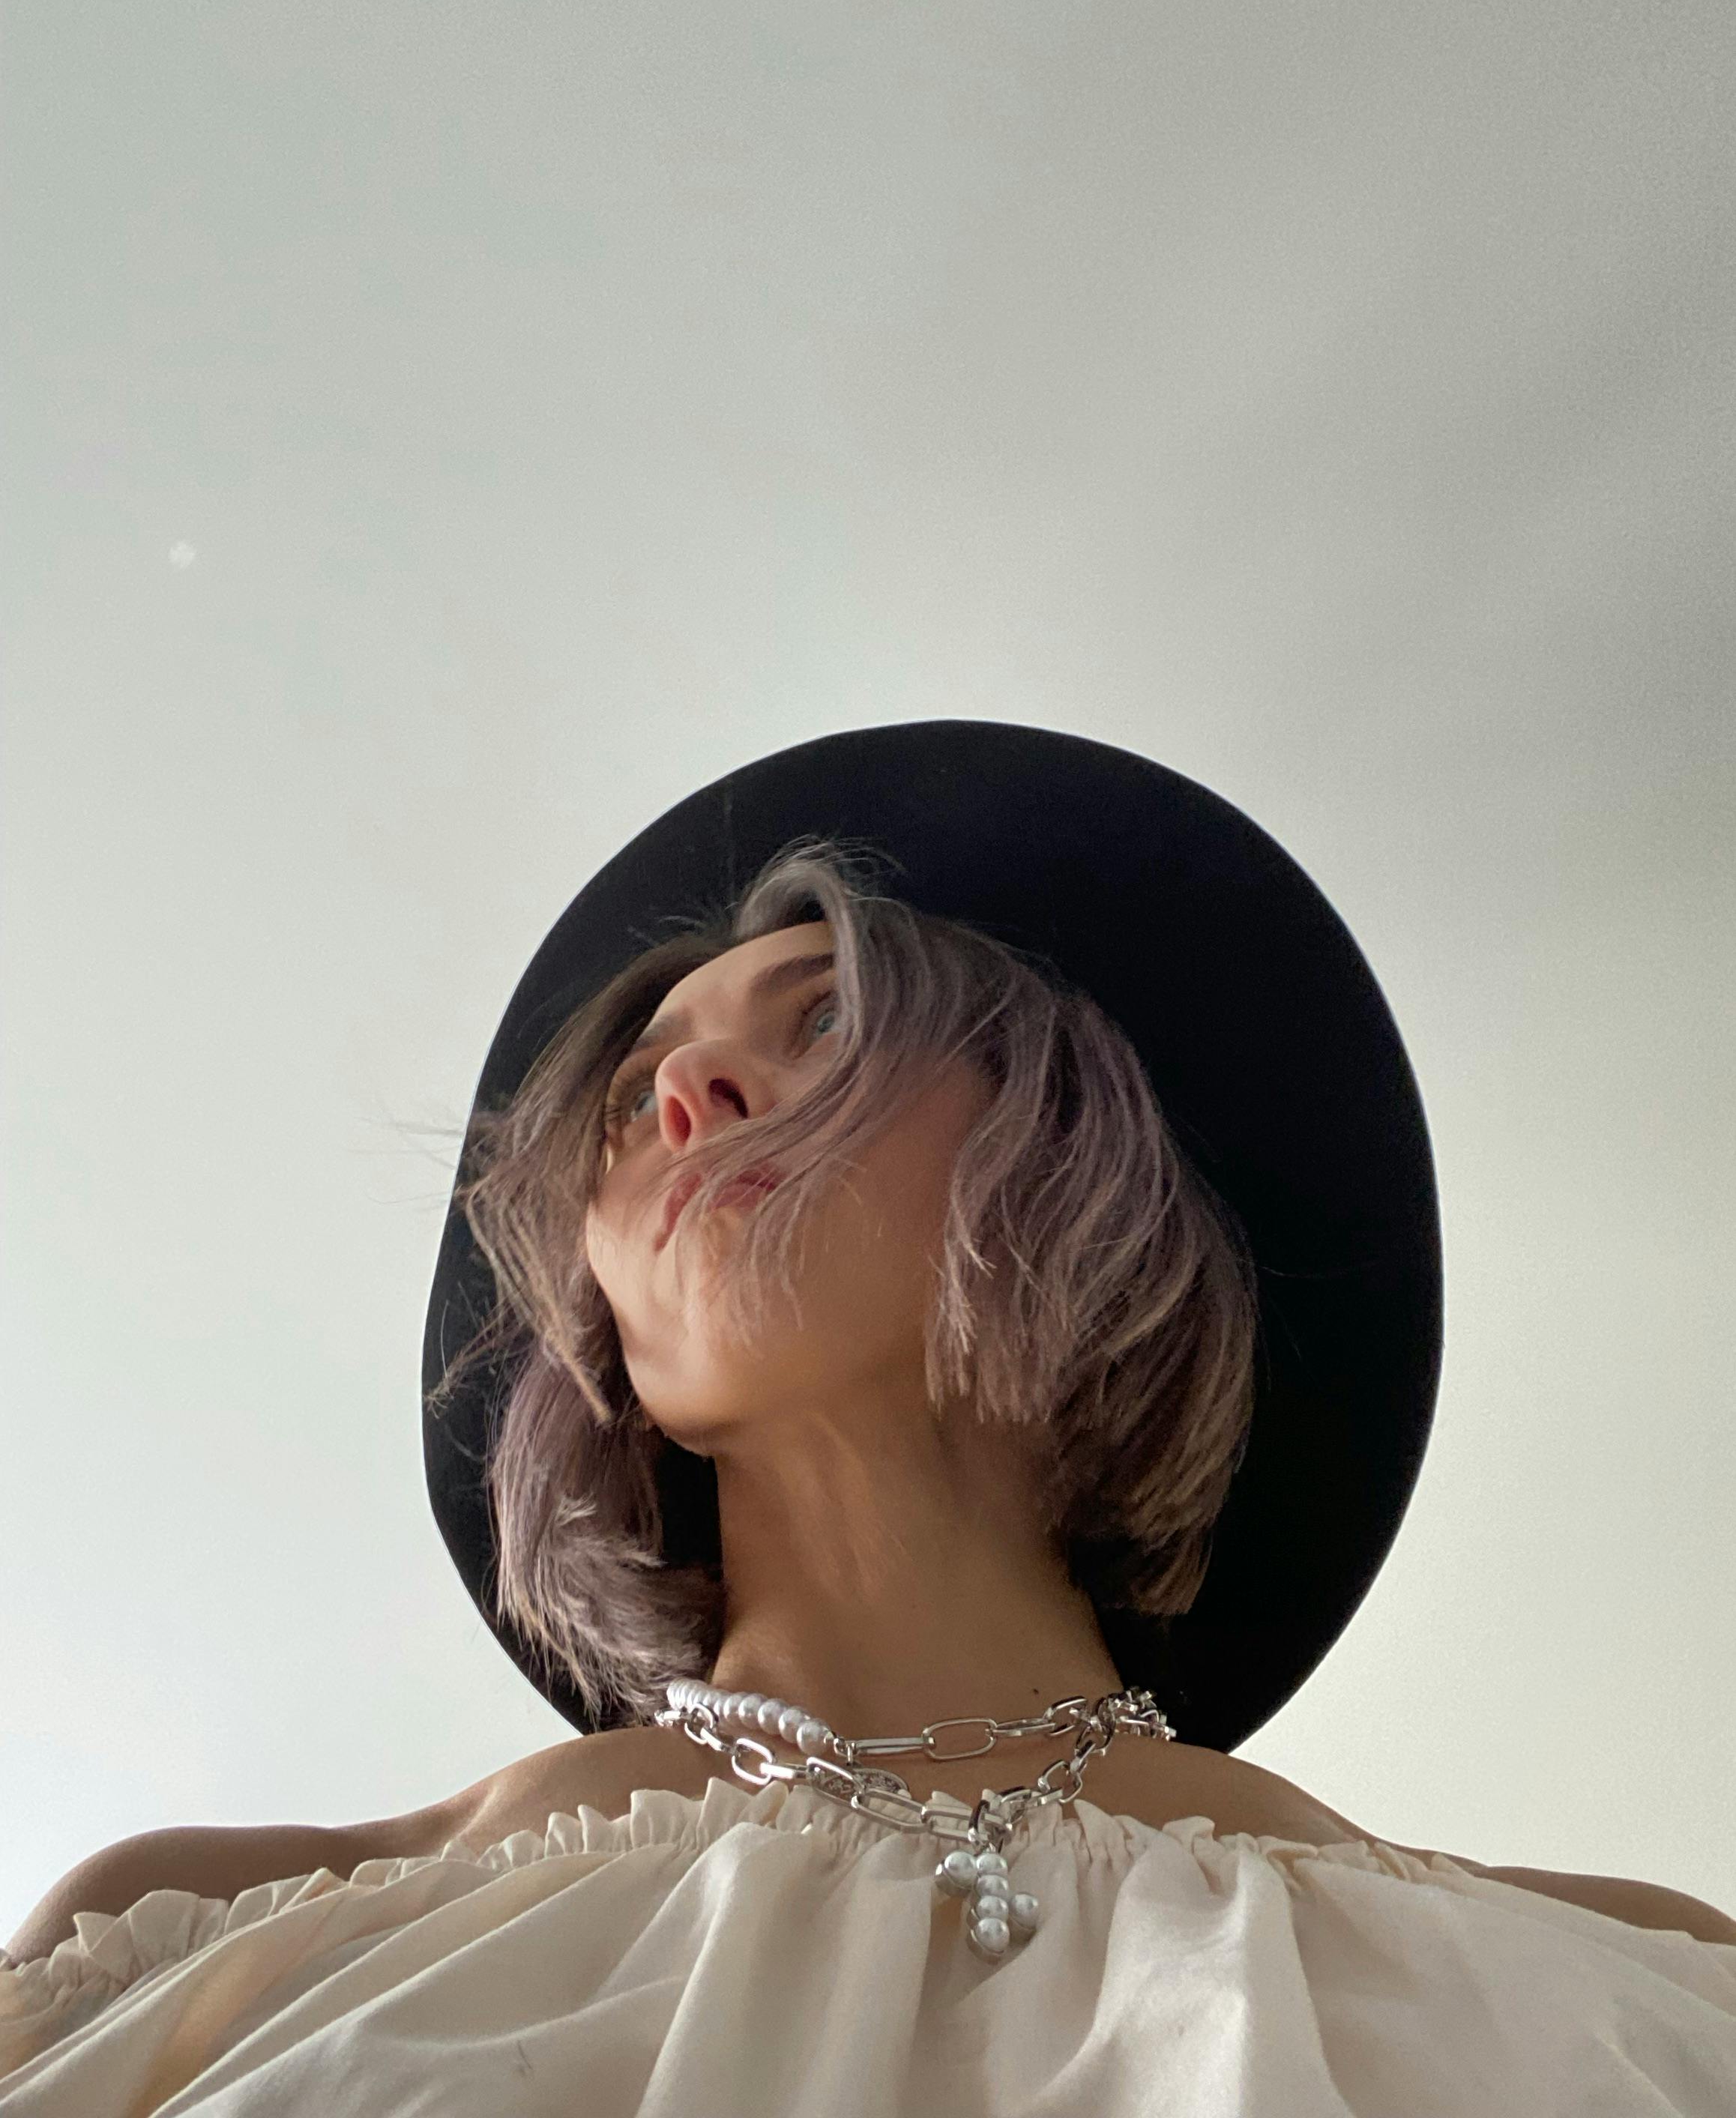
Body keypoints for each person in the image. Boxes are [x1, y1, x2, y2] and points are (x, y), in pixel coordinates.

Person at [4, 722, 1733, 2114]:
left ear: (1067, 1146)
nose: (689, 1090)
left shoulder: (1644, 2003)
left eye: (826, 1016)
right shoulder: (188, 1949)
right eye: (631, 1101)